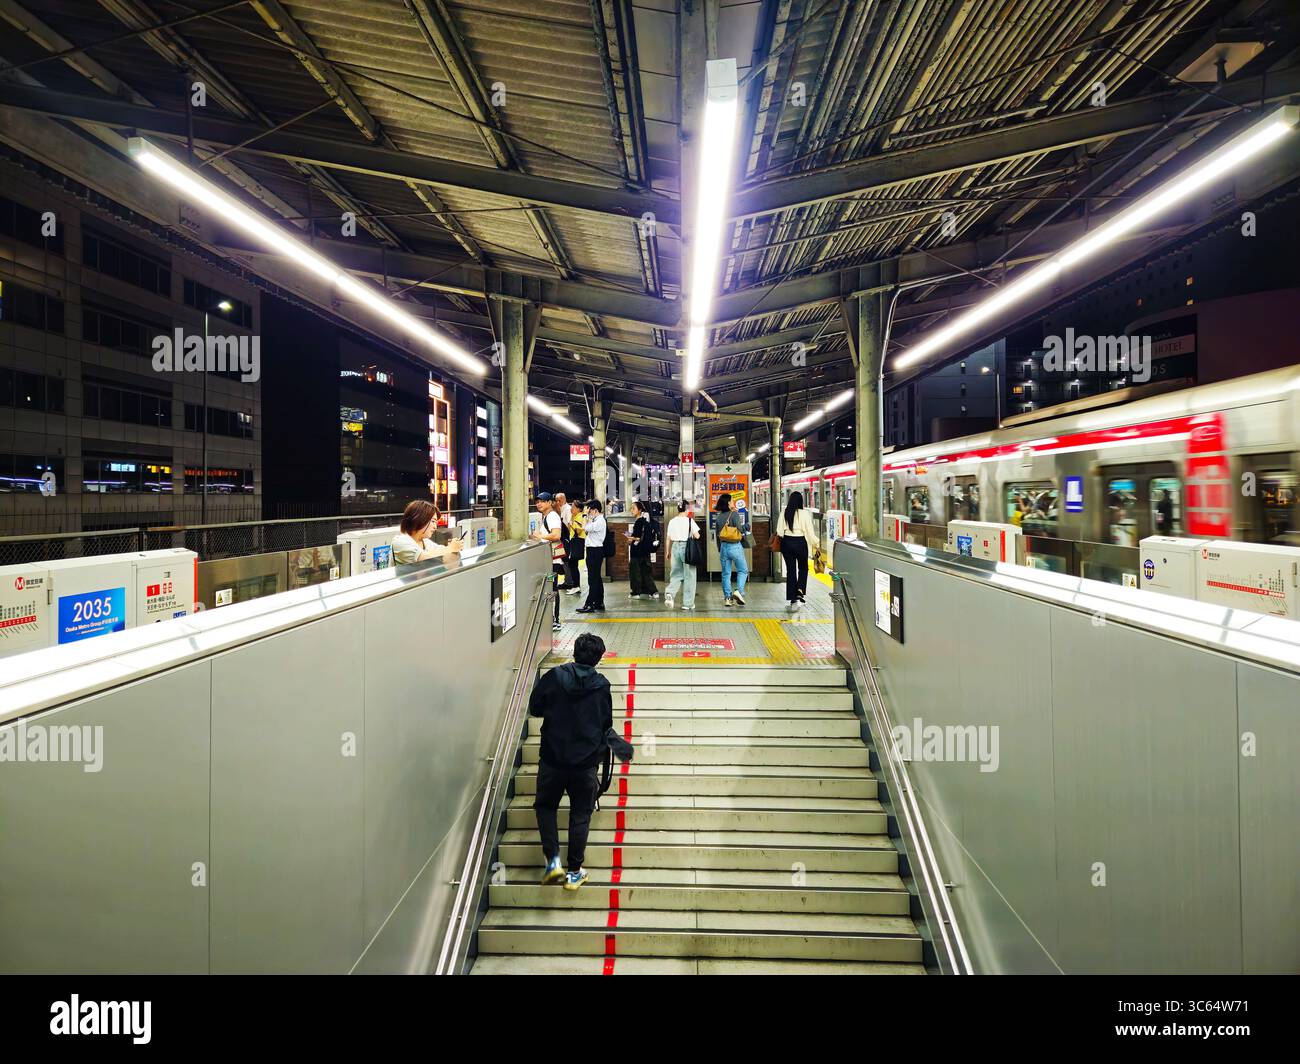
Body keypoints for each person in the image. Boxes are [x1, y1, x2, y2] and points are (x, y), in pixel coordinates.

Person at [529, 632, 612, 891]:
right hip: (584, 764)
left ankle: (553, 866)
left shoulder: (554, 676)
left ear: (574, 651)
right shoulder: (602, 685)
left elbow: (535, 708)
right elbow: (605, 724)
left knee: (546, 807)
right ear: (598, 658)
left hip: (552, 759)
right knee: (580, 814)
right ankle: (574, 872)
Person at [775, 490, 818, 610]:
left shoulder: (784, 512)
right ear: (801, 501)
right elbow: (809, 533)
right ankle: (800, 590)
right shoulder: (804, 514)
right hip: (800, 543)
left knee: (791, 570)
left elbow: (779, 532)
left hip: (787, 543)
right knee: (803, 568)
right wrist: (816, 543)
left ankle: (792, 597)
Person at [529, 492, 565, 632]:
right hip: (550, 561)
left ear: (550, 502)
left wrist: (540, 537)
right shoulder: (546, 516)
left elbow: (556, 535)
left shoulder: (552, 516)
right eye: (537, 501)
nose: (539, 504)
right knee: (550, 588)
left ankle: (555, 620)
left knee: (552, 589)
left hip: (554, 562)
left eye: (542, 501)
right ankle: (552, 618)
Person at [391, 499, 463, 564]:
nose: (435, 527)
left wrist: (453, 547)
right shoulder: (400, 541)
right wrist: (451, 548)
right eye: (433, 521)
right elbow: (422, 558)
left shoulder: (425, 542)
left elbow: (441, 551)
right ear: (420, 519)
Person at [715, 493, 749, 607]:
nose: (733, 502)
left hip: (724, 547)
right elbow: (740, 530)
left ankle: (728, 598)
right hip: (735, 546)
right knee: (743, 570)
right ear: (728, 503)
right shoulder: (734, 514)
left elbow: (717, 535)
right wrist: (746, 526)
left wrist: (720, 548)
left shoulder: (719, 517)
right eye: (732, 500)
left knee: (726, 574)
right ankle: (738, 591)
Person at [663, 506, 700, 610]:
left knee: (676, 574)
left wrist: (667, 552)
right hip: (686, 548)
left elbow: (668, 538)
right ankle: (687, 604)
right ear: (687, 510)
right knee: (689, 575)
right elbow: (697, 536)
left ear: (678, 510)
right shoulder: (689, 520)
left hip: (675, 547)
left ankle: (670, 593)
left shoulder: (672, 521)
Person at [576, 499, 606, 614]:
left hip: (595, 551)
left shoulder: (599, 521)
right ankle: (599, 602)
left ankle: (589, 604)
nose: (588, 513)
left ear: (595, 510)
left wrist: (584, 515)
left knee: (592, 579)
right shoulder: (596, 520)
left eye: (589, 510)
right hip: (593, 551)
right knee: (596, 578)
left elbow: (584, 527)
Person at [625, 499, 659, 599]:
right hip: (645, 551)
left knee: (635, 572)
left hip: (637, 551)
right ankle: (653, 592)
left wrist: (630, 539)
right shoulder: (645, 521)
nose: (631, 510)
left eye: (633, 508)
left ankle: (636, 593)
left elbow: (638, 538)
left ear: (639, 510)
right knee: (646, 572)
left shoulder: (639, 522)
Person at [564, 500, 585, 596]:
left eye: (573, 507)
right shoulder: (574, 516)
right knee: (573, 565)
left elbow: (579, 531)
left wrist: (571, 525)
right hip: (573, 542)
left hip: (576, 542)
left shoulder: (580, 517)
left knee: (573, 565)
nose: (571, 509)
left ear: (579, 509)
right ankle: (575, 586)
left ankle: (576, 586)